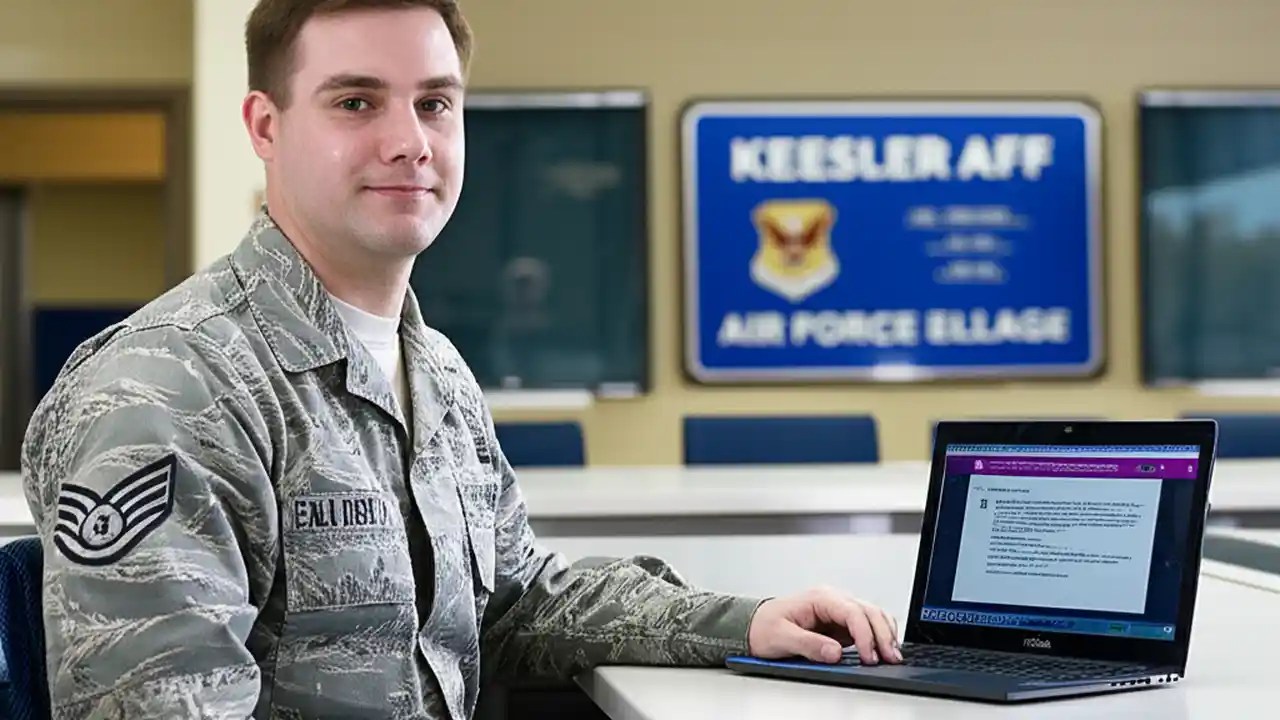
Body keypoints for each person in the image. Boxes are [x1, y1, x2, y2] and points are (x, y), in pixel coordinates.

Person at [20, 1, 902, 718]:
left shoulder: (434, 371)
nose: (410, 141)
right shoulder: (169, 388)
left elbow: (515, 608)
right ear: (265, 124)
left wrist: (746, 622)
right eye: (356, 101)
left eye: (436, 102)